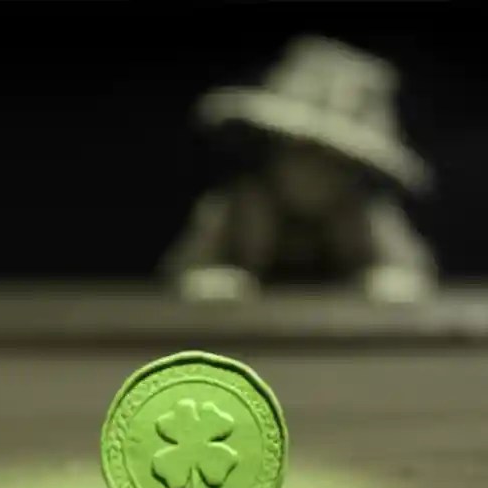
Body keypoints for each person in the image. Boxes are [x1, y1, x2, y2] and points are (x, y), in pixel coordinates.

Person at [161, 36, 438, 303]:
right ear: (274, 151)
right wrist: (204, 279)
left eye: (332, 163)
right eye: (299, 154)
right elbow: (185, 269)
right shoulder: (238, 204)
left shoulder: (366, 214)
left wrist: (393, 280)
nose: (311, 172)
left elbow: (410, 272)